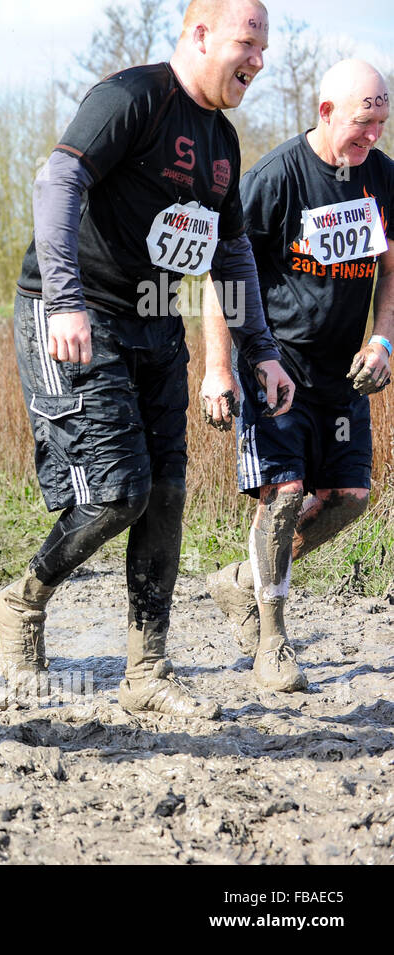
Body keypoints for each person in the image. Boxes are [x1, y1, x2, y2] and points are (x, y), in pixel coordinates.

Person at [0, 0, 294, 718]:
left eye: (265, 48)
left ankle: (146, 670)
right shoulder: (133, 98)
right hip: (77, 310)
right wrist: (63, 299)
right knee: (117, 489)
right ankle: (21, 601)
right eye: (247, 43)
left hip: (157, 318)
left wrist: (262, 350)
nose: (258, 60)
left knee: (166, 493)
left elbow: (231, 249)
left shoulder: (222, 138)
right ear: (200, 35)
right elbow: (57, 182)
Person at [203, 60, 393, 691]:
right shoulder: (276, 178)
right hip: (274, 363)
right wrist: (217, 368)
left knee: (348, 501)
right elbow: (223, 274)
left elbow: (391, 270)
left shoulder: (383, 179)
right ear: (326, 112)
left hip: (343, 375)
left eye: (381, 125)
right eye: (362, 124)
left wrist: (384, 340)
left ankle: (242, 581)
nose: (371, 138)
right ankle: (273, 638)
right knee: (282, 495)